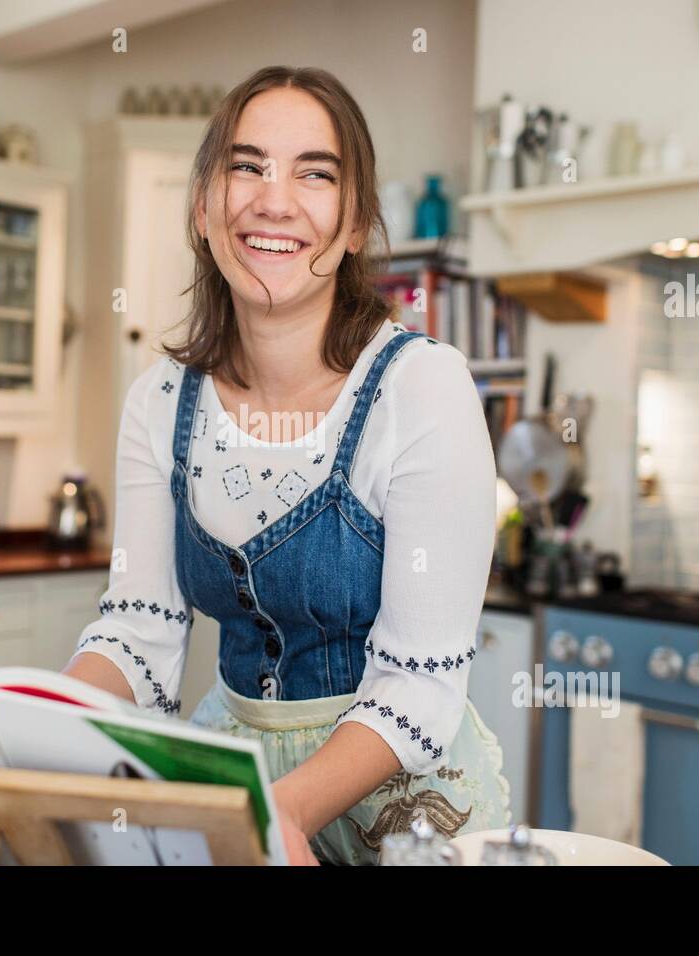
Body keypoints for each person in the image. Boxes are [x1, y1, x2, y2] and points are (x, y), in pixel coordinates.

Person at [64, 65, 509, 865]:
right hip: (240, 778)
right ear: (203, 208)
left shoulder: (421, 388)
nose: (275, 199)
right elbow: (138, 631)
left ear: (354, 225)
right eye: (247, 166)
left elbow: (419, 683)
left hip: (402, 810)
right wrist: (40, 728)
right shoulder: (161, 400)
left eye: (315, 173)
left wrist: (279, 818)